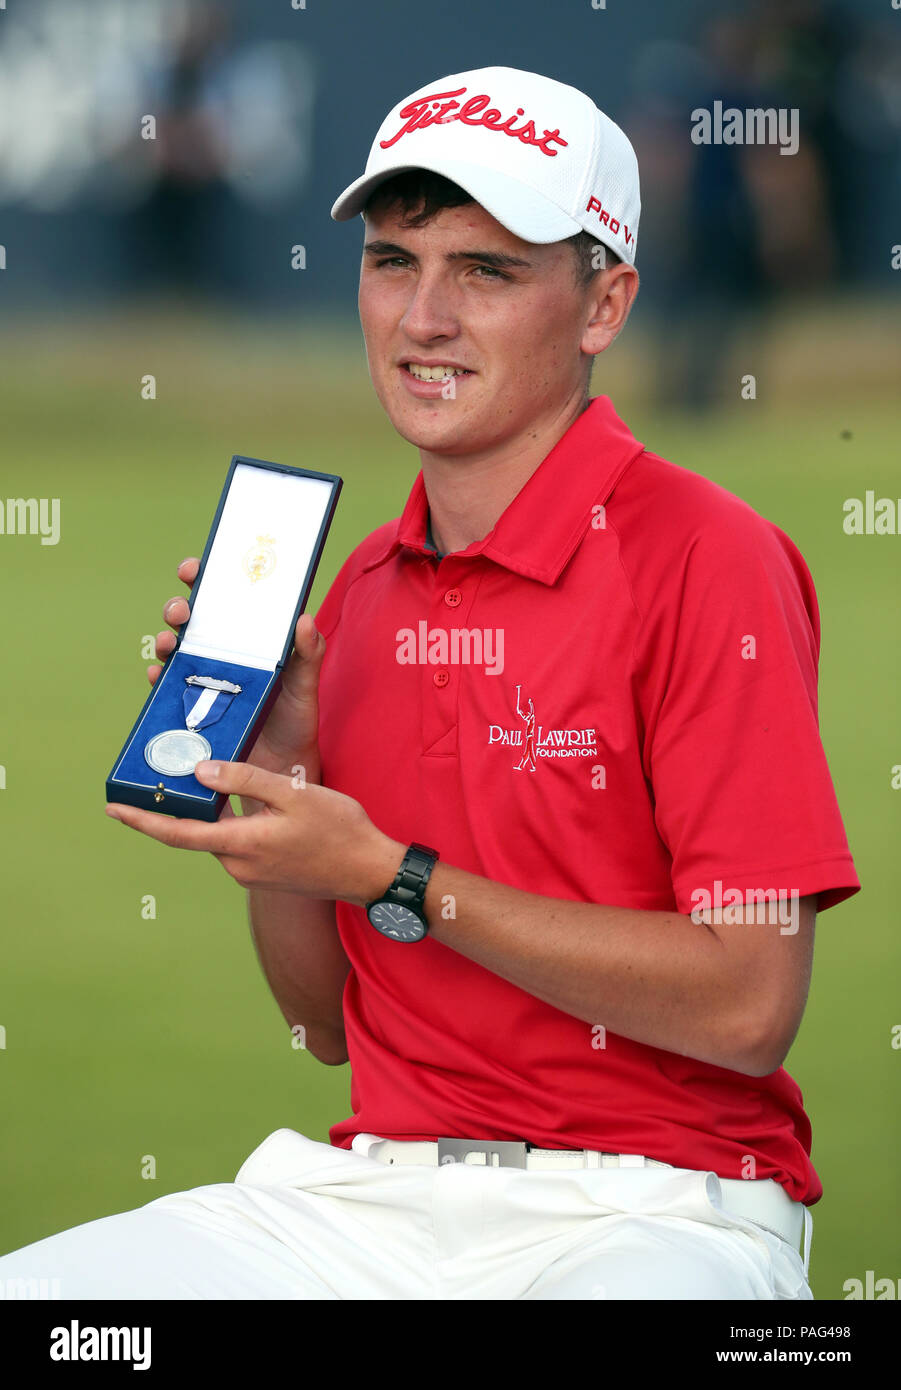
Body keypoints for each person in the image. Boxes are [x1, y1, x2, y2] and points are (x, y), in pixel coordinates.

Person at [0, 65, 859, 1300]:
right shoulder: (355, 593)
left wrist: (398, 877)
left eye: (487, 270)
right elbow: (327, 1029)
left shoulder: (704, 557)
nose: (423, 318)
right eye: (394, 261)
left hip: (655, 1210)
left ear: (603, 303)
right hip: (360, 1204)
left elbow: (744, 1004)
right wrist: (283, 771)